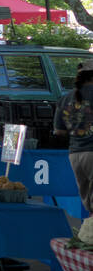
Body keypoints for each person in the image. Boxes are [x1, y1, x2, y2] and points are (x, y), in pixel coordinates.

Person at [54, 59, 93, 217]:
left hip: (74, 154)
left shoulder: (66, 98)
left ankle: (88, 236)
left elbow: (58, 131)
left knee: (89, 204)